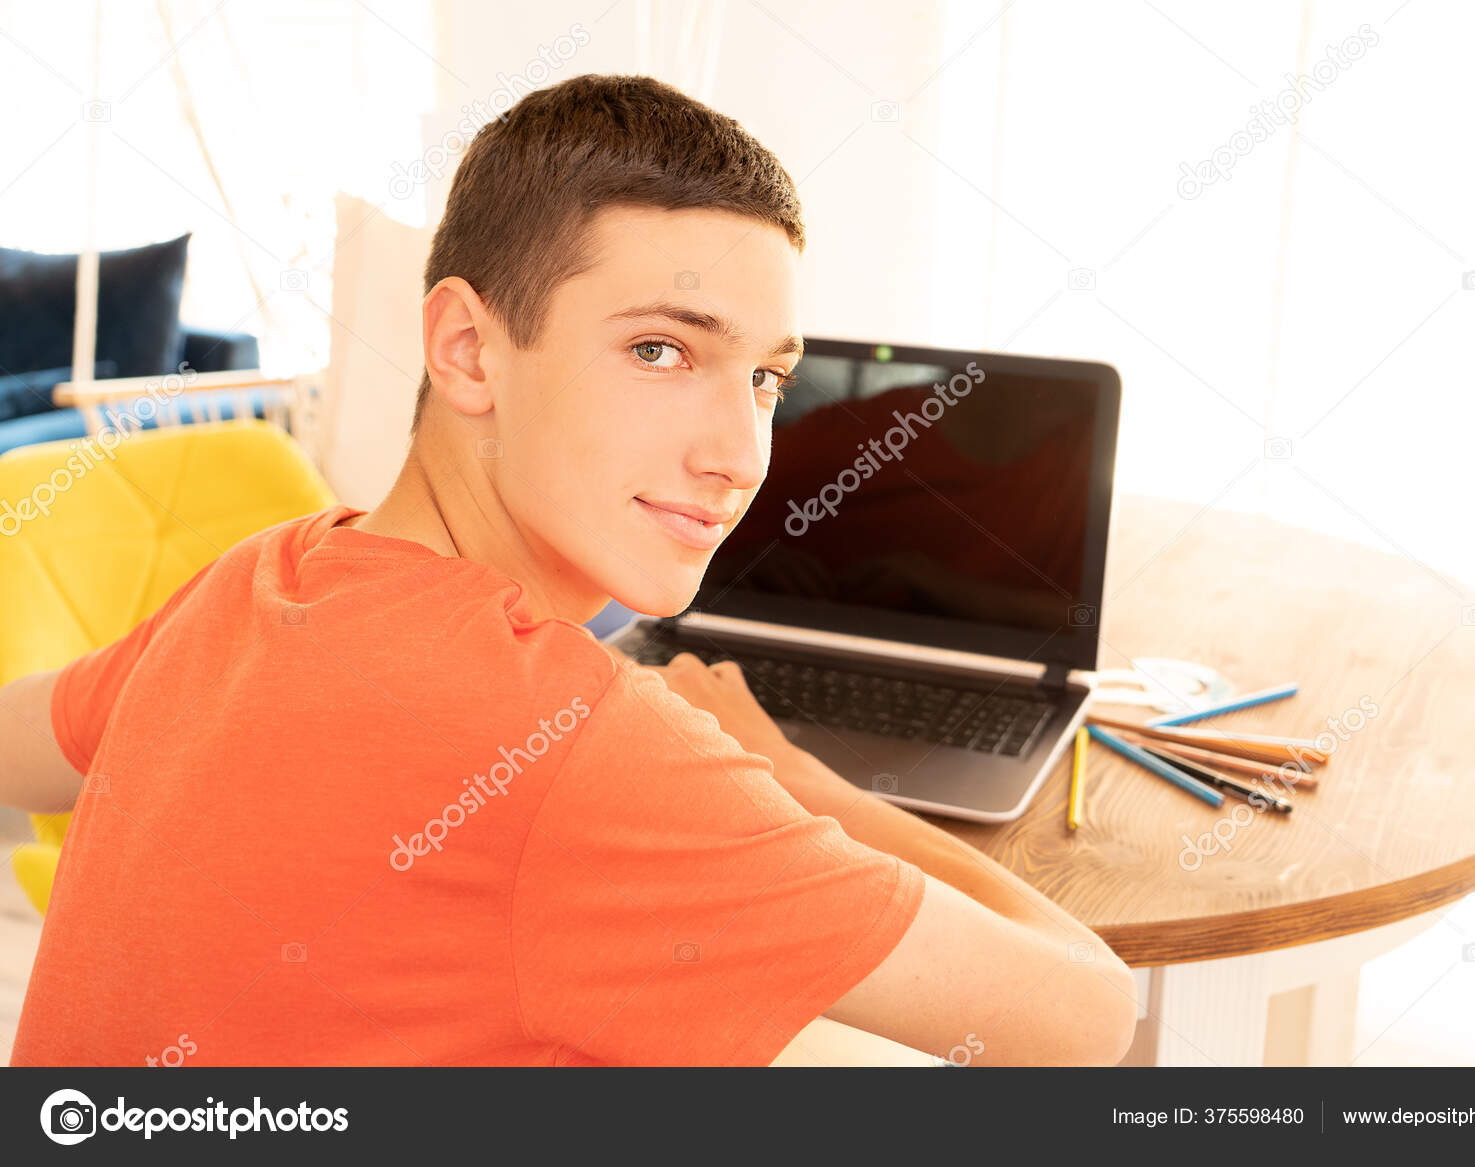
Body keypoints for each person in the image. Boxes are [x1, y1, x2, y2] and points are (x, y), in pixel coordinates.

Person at [1, 74, 1135, 1067]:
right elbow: (1087, 1015)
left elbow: (17, 747)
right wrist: (794, 774)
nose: (741, 456)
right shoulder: (590, 752)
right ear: (468, 350)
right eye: (661, 350)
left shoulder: (261, 579)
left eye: (764, 380)